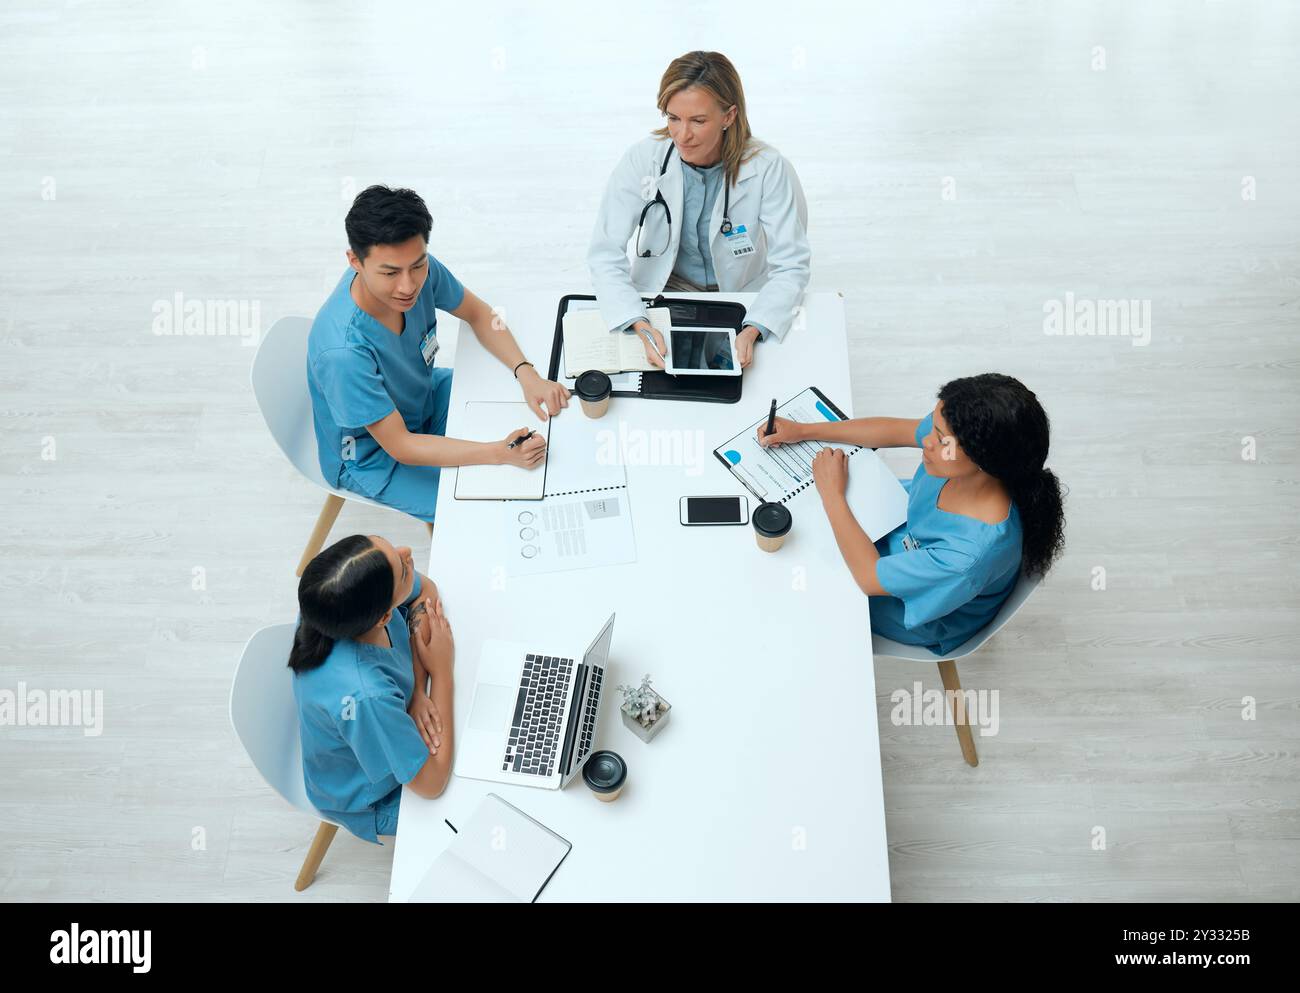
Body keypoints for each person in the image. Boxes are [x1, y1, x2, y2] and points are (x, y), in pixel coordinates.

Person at [308, 185, 569, 523]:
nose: (408, 285)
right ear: (355, 261)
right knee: (486, 507)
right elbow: (401, 445)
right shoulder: (343, 354)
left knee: (536, 416)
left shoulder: (417, 269)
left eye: (417, 265)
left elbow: (478, 313)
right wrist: (498, 453)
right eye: (390, 273)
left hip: (423, 396)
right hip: (374, 455)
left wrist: (527, 374)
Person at [760, 374, 1066, 654]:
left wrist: (832, 494)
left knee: (791, 579)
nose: (927, 442)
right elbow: (896, 430)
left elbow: (869, 578)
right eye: (934, 426)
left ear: (984, 461)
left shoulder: (969, 555)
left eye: (942, 440)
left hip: (911, 602)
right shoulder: (957, 451)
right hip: (902, 538)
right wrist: (804, 430)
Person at [588, 50, 810, 372]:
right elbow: (604, 252)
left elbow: (791, 265)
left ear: (729, 116)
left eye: (698, 121)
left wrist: (754, 328)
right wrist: (636, 320)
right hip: (664, 293)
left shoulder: (768, 168)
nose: (682, 135)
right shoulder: (644, 159)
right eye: (673, 118)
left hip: (739, 297)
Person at [288, 534, 454, 843]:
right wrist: (442, 672)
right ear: (385, 617)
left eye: (393, 547)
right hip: (371, 799)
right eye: (402, 569)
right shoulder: (366, 697)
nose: (407, 550)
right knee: (469, 801)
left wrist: (418, 690)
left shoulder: (332, 601)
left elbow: (426, 589)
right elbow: (432, 783)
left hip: (378, 726)